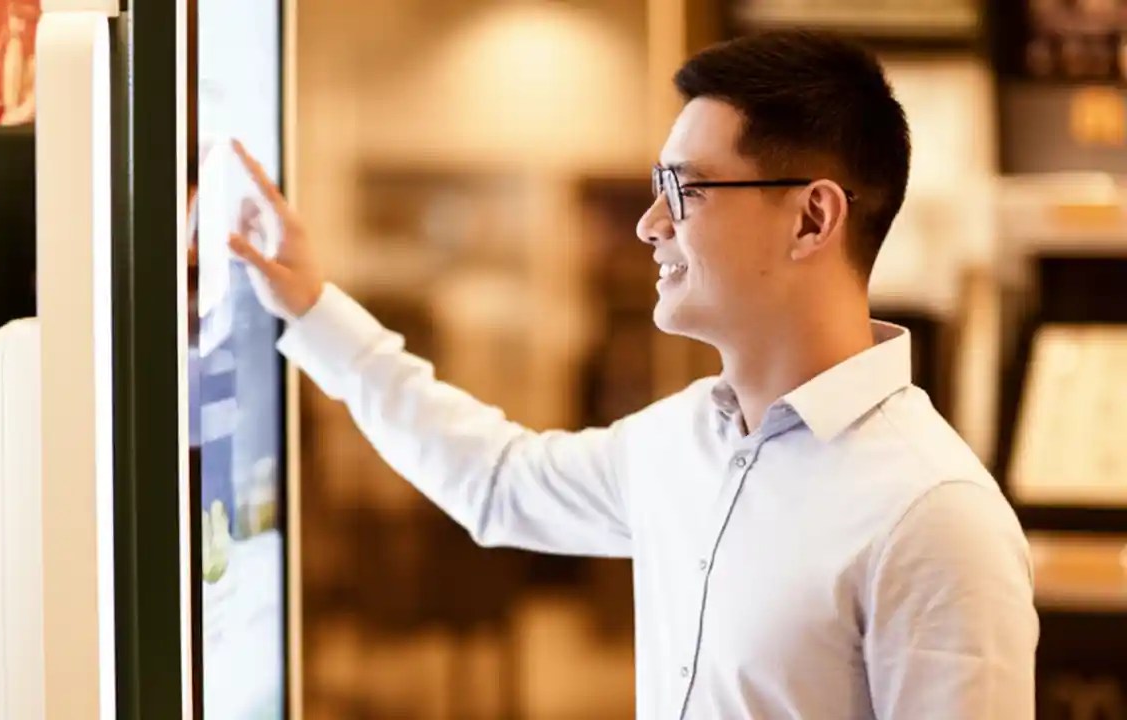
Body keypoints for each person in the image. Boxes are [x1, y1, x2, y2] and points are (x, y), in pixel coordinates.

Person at [229, 30, 1038, 720]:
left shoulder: (934, 517)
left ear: (812, 217)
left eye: (682, 190)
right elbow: (497, 482)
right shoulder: (681, 439)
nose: (650, 226)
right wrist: (311, 309)